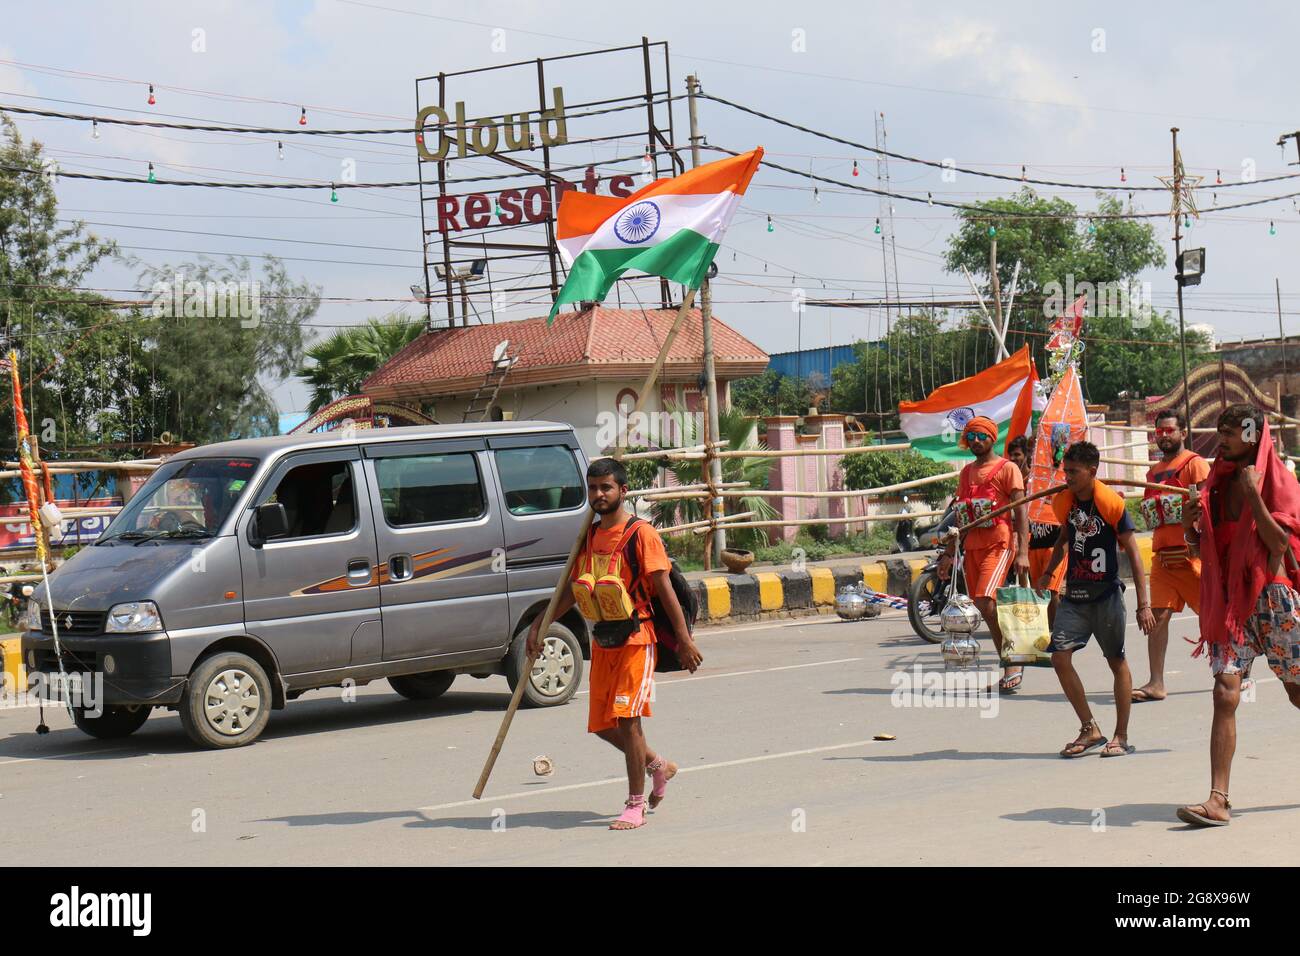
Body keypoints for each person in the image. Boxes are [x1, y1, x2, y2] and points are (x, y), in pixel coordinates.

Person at [526, 457, 703, 831]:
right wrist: (539, 625)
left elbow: (663, 589)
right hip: (604, 641)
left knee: (627, 719)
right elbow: (572, 593)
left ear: (623, 491)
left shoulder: (642, 535)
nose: (598, 495)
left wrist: (685, 641)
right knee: (604, 726)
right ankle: (659, 766)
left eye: (606, 488)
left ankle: (635, 805)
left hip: (637, 640)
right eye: (592, 488)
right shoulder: (587, 536)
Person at [1175, 405, 1300, 826]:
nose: (1221, 439)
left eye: (1230, 432)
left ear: (1252, 435)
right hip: (1230, 608)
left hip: (1272, 600)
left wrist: (1253, 496)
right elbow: (1208, 550)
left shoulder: (1278, 480)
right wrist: (1191, 528)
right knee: (1224, 692)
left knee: (1297, 694)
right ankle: (1218, 799)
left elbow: (1279, 543)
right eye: (1220, 430)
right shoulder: (1214, 482)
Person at [1037, 441, 1155, 757]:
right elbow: (1064, 537)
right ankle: (1089, 728)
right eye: (1066, 471)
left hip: (1106, 596)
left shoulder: (1110, 503)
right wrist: (1049, 572)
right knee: (1059, 657)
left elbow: (1133, 551)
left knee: (1116, 661)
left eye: (1074, 472)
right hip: (1074, 595)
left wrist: (1144, 604)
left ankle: (1121, 735)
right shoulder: (1066, 502)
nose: (1068, 477)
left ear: (1092, 471)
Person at [1132, 409, 1212, 703]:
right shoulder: (1152, 473)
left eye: (1169, 431)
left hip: (1192, 556)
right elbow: (1148, 511)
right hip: (1163, 557)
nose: (1164, 437)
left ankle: (1234, 669)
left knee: (1213, 616)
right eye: (1160, 432)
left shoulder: (1195, 465)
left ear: (1182, 433)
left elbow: (1206, 507)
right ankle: (1156, 683)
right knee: (1159, 618)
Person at [954, 417, 1031, 692]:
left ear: (992, 438)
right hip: (973, 545)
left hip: (999, 543)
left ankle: (1014, 662)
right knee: (983, 606)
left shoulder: (1008, 468)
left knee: (986, 601)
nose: (975, 440)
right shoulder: (965, 473)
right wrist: (949, 554)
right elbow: (961, 514)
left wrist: (1022, 551)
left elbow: (1021, 509)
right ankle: (1009, 661)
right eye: (971, 436)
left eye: (981, 436)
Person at [1008, 435, 1063, 627]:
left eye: (1019, 454)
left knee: (1051, 591)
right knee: (1038, 593)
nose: (1016, 459)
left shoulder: (1052, 476)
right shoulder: (1017, 483)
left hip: (1055, 543)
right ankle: (1043, 634)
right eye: (1012, 455)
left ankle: (1055, 637)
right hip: (1033, 544)